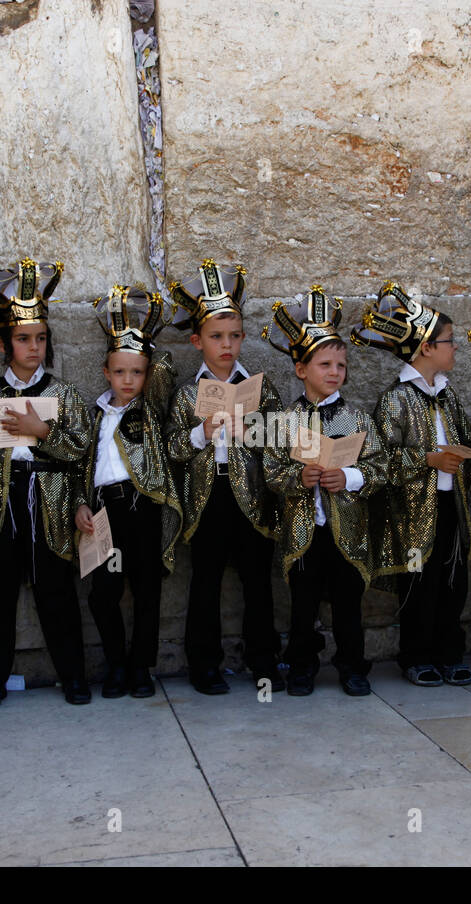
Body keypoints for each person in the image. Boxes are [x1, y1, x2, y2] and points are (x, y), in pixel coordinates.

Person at [0, 259, 93, 709]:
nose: (34, 347)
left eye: (41, 339)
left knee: (55, 588)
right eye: (24, 339)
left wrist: (43, 433)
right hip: (3, 498)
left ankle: (74, 675)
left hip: (50, 499)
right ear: (4, 342)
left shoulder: (65, 395)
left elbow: (82, 453)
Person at [356, 281, 471, 687]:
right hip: (412, 516)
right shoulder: (395, 400)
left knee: (454, 582)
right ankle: (416, 656)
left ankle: (450, 653)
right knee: (419, 584)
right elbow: (381, 460)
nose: (455, 349)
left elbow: (465, 444)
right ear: (427, 348)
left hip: (450, 509)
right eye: (449, 341)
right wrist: (428, 460)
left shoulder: (449, 397)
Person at [166, 260, 284, 694]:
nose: (227, 345)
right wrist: (202, 432)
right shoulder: (185, 393)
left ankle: (263, 659)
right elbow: (172, 449)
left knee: (257, 578)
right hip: (207, 495)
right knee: (206, 579)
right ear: (198, 341)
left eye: (234, 336)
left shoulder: (259, 386)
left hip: (251, 494)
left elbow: (281, 437)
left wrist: (248, 429)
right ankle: (204, 664)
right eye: (217, 337)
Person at [263, 287, 387, 695]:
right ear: (301, 369)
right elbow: (271, 472)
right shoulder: (283, 421)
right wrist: (297, 480)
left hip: (347, 530)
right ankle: (301, 665)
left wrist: (349, 478)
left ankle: (352, 665)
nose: (334, 372)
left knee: (349, 603)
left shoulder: (356, 418)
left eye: (340, 365)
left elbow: (379, 467)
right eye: (325, 364)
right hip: (304, 530)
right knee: (302, 602)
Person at [73, 286, 182, 699]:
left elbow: (165, 369)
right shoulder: (94, 413)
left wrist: (146, 341)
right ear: (106, 373)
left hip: (142, 510)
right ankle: (116, 664)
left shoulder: (150, 408)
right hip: (104, 513)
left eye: (137, 372)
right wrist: (80, 503)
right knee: (104, 594)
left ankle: (141, 667)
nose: (128, 380)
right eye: (120, 372)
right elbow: (80, 465)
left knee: (146, 591)